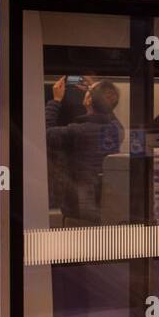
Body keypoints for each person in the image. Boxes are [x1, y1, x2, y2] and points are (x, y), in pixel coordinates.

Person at [44, 78, 124, 226]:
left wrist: (56, 100)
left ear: (88, 100)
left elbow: (45, 134)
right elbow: (109, 112)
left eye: (88, 93)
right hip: (104, 203)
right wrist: (97, 93)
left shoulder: (78, 130)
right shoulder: (116, 130)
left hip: (78, 208)